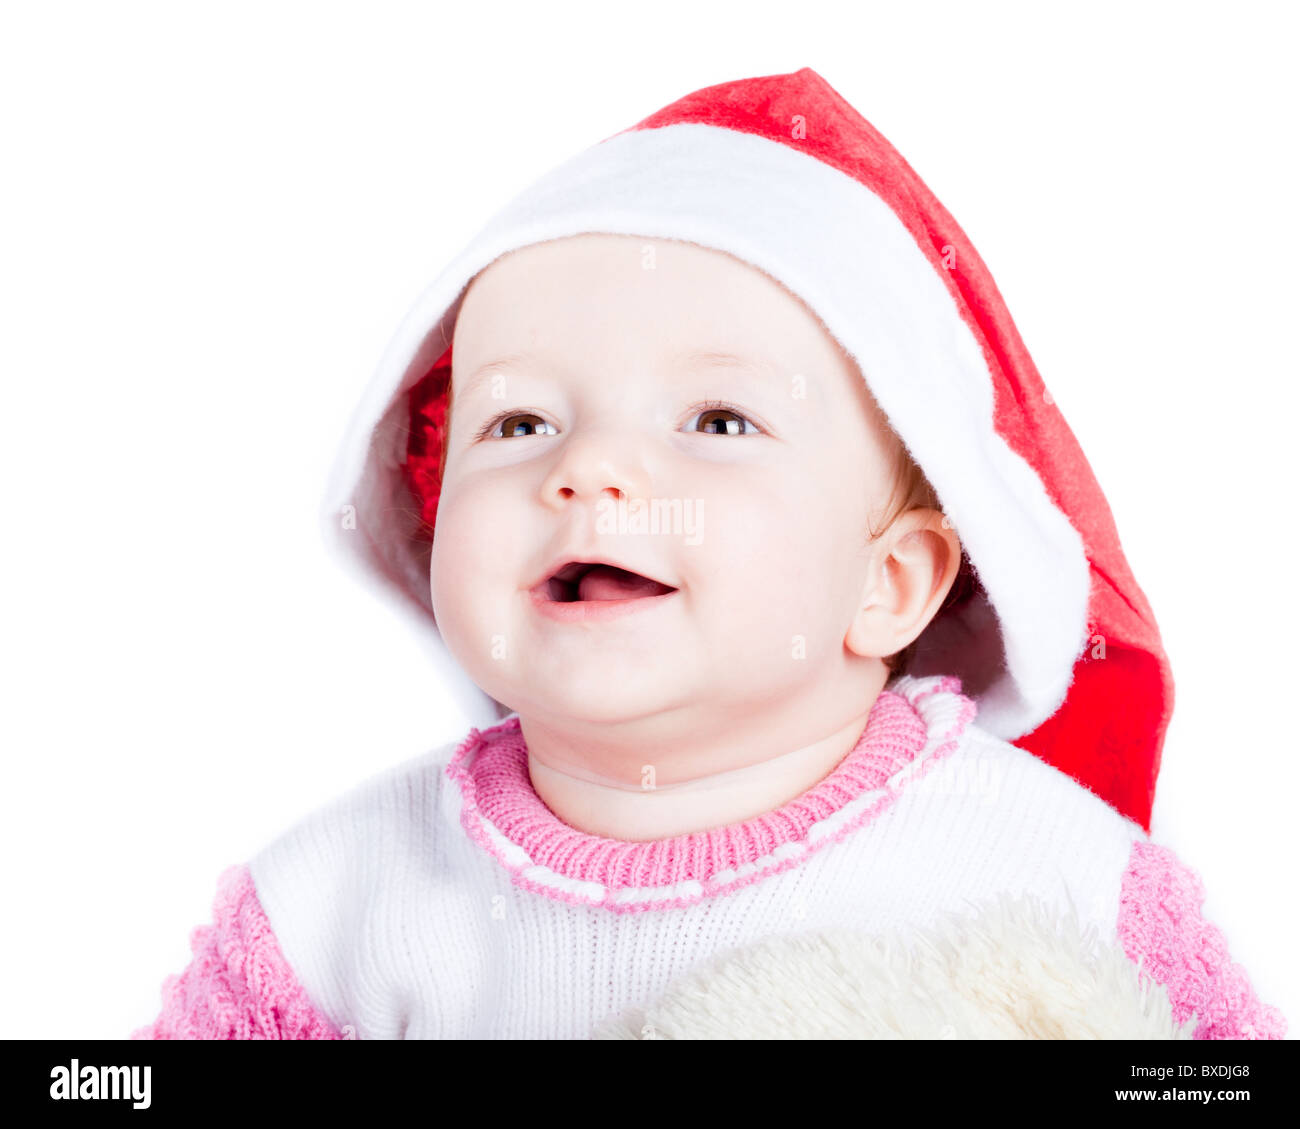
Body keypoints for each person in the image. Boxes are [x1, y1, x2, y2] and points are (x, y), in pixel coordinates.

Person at [133, 66, 1285, 1040]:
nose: (586, 472)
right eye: (518, 422)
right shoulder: (340, 901)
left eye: (717, 423)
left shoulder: (1045, 868)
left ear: (888, 585)